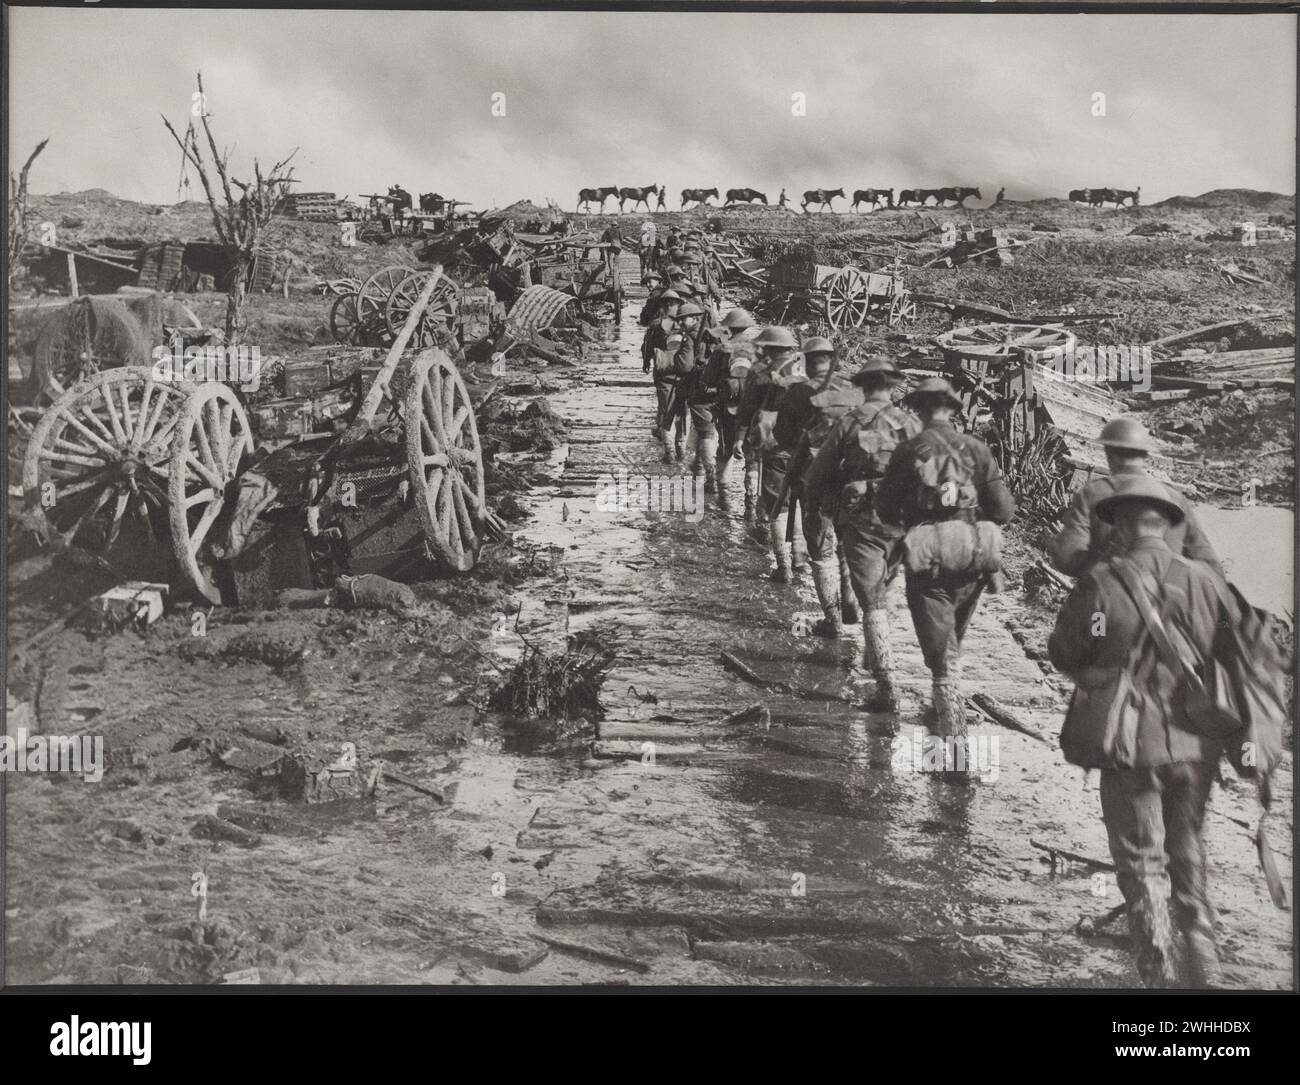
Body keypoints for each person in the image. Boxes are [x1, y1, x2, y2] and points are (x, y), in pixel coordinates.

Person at [1048, 474, 1235, 988]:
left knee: (1141, 864)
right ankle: (1205, 964)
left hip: (1131, 742)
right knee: (1188, 850)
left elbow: (1069, 649)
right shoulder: (1206, 582)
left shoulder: (1104, 582)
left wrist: (1101, 666)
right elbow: (1233, 655)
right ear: (1166, 524)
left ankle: (1159, 977)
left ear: (1124, 525)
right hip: (1197, 745)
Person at [875, 378, 1015, 753]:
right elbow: (1003, 510)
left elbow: (885, 508)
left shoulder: (908, 451)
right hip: (972, 555)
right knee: (953, 632)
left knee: (940, 654)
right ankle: (944, 718)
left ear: (918, 411)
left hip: (928, 556)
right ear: (953, 410)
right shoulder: (978, 449)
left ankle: (954, 751)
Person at [804, 358, 922, 706]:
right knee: (887, 582)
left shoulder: (850, 422)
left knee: (870, 598)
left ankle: (886, 687)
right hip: (904, 519)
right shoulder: (911, 423)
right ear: (893, 387)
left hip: (863, 519)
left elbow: (819, 473)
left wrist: (817, 505)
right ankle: (877, 650)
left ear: (863, 387)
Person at [1048, 416, 1220, 577]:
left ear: (1109, 453)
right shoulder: (1176, 499)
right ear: (1145, 455)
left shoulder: (1093, 493)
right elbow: (1210, 564)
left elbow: (1066, 558)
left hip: (1112, 597)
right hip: (1168, 600)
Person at [772, 337, 863, 638]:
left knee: (821, 549)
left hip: (816, 479)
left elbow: (782, 437)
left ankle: (832, 621)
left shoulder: (800, 392)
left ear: (808, 362)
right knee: (848, 538)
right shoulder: (853, 388)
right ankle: (851, 598)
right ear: (833, 359)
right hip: (853, 478)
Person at [737, 326, 806, 581]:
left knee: (778, 505)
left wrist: (743, 436)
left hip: (776, 445)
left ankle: (783, 566)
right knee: (799, 501)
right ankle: (800, 559)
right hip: (807, 446)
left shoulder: (762, 373)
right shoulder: (805, 369)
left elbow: (746, 411)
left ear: (769, 349)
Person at [699, 309, 759, 511]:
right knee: (753, 457)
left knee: (725, 451)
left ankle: (723, 498)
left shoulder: (723, 350)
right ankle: (750, 502)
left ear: (729, 328)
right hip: (753, 411)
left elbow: (707, 381)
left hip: (728, 410)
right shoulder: (758, 349)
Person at [642, 289, 683, 447]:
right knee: (681, 411)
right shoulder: (684, 325)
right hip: (682, 372)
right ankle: (679, 444)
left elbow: (647, 346)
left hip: (663, 371)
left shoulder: (655, 325)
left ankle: (669, 447)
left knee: (665, 405)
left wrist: (646, 362)